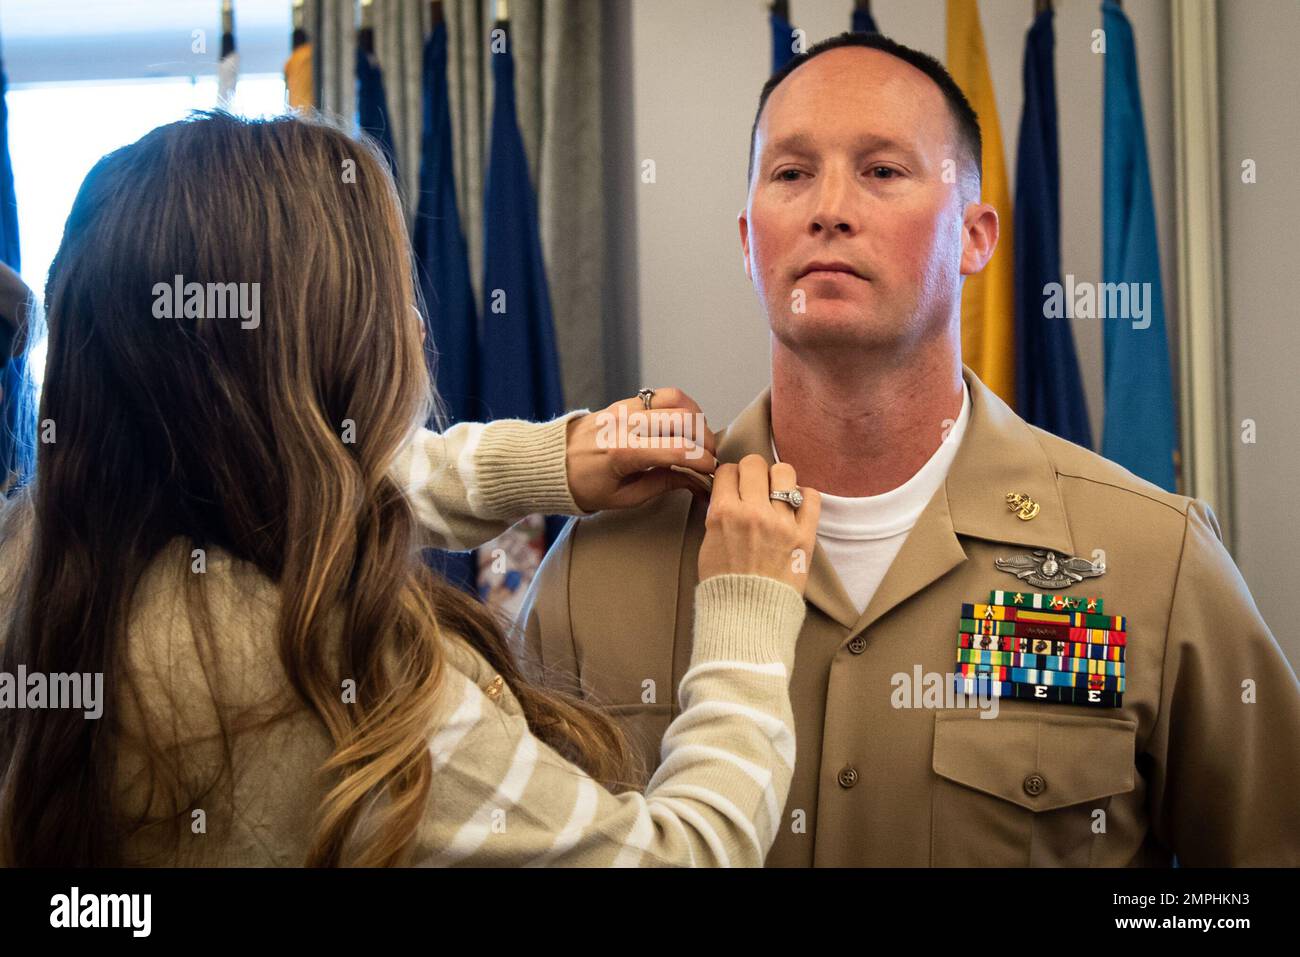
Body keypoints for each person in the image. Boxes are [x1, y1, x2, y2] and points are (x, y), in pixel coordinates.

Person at [521, 32, 1300, 866]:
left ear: (974, 238)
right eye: (791, 173)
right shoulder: (595, 572)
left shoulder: (1150, 561)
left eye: (882, 170)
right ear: (750, 242)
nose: (829, 206)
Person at [0, 109, 822, 867]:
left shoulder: (42, 548)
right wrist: (747, 612)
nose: (418, 326)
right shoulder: (338, 688)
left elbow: (294, 476)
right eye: (387, 293)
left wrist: (551, 457)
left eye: (884, 172)